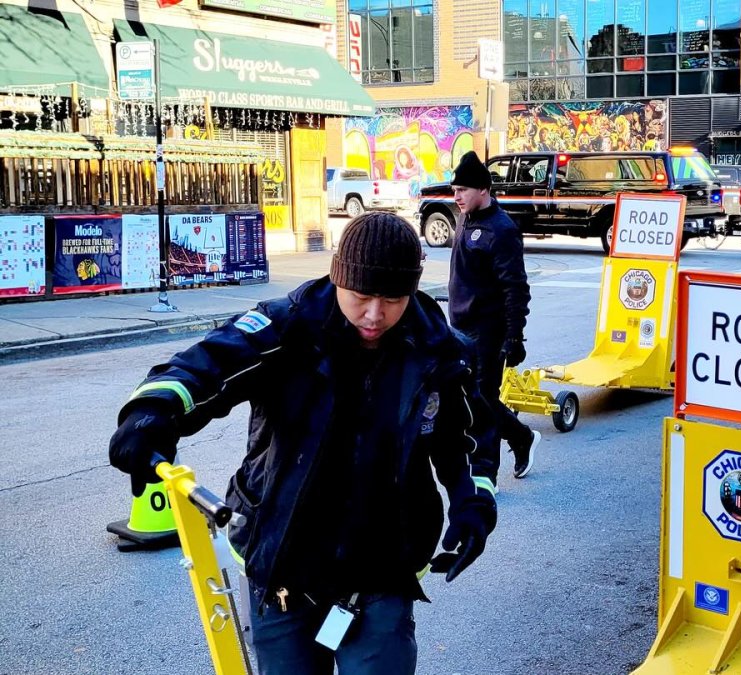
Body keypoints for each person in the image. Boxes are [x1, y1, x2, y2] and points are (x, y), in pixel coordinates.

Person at [108, 213, 498, 675]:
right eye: (362, 296)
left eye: (393, 299)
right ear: (338, 277)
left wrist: (474, 504)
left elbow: (468, 437)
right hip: (283, 563)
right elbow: (204, 366)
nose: (375, 314)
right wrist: (152, 412)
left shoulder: (441, 350)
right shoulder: (286, 327)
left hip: (383, 569)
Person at [447, 151, 541, 479]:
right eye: (454, 189)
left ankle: (484, 475)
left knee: (482, 402)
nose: (456, 196)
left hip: (488, 331)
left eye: (463, 190)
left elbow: (516, 288)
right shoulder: (465, 219)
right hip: (459, 327)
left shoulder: (502, 230)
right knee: (468, 399)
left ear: (483, 190)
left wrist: (515, 336)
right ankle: (522, 436)